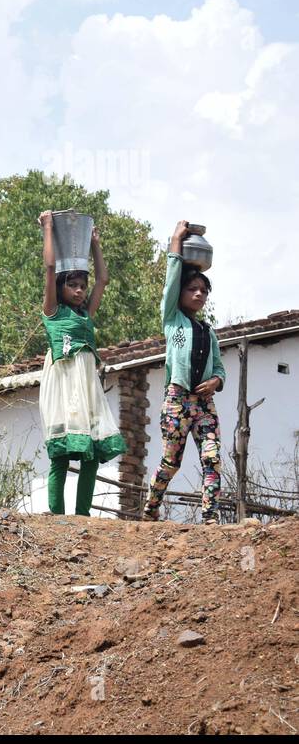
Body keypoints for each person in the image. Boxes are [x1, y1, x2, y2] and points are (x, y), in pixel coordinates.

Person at [37, 213, 126, 516]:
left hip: (87, 386)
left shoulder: (85, 314)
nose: (79, 290)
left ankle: (82, 514)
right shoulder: (53, 312)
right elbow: (50, 267)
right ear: (61, 287)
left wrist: (95, 244)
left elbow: (103, 279)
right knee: (62, 454)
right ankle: (56, 515)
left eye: (82, 286)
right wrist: (48, 227)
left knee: (92, 452)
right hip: (63, 384)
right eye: (72, 285)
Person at [144, 220, 227, 524]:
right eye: (192, 289)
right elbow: (170, 281)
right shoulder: (173, 320)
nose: (198, 294)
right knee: (170, 463)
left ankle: (209, 517)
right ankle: (151, 507)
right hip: (177, 401)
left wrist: (217, 381)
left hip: (204, 404)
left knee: (212, 459)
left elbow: (219, 367)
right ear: (180, 294)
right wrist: (177, 241)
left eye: (203, 291)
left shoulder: (209, 332)